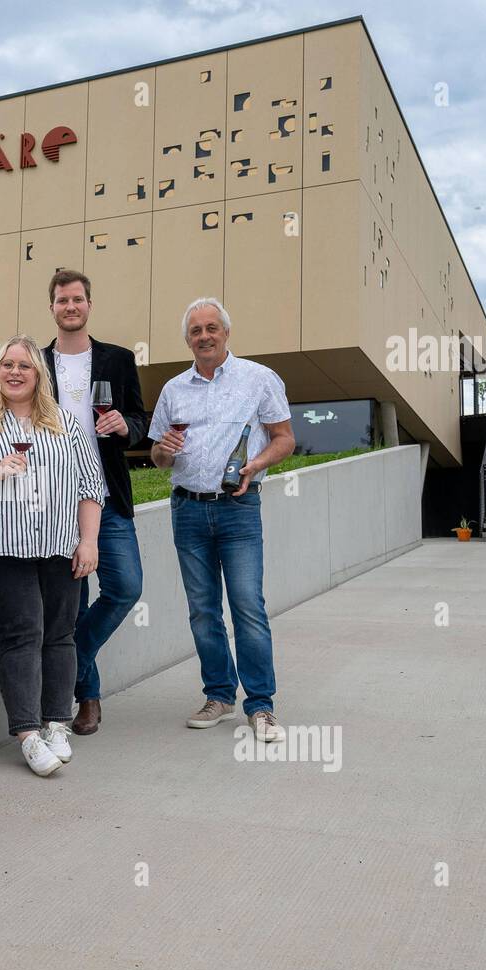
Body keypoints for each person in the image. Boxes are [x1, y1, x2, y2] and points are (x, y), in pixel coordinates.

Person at [147, 297, 295, 740]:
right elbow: (156, 457)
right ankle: (219, 695)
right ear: (188, 340)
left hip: (239, 508)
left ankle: (262, 705)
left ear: (226, 333)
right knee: (202, 612)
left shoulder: (259, 379)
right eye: (196, 331)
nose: (204, 336)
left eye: (212, 328)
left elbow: (285, 438)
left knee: (248, 606)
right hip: (187, 509)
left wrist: (256, 464)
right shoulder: (174, 389)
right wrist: (162, 451)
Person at [0, 335, 104, 777]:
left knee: (61, 634)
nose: (14, 372)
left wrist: (88, 542)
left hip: (60, 545)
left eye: (24, 366)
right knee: (22, 635)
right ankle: (27, 734)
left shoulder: (66, 425)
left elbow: (91, 487)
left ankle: (56, 723)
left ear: (38, 375)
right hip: (3, 548)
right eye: (7, 364)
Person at [40, 269, 146, 736]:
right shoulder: (37, 364)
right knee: (73, 606)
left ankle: (69, 661)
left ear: (89, 305)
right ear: (52, 307)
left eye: (78, 299)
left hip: (109, 497)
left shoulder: (118, 360)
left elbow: (142, 421)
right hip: (58, 506)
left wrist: (126, 427)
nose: (70, 307)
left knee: (126, 588)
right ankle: (88, 699)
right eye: (62, 300)